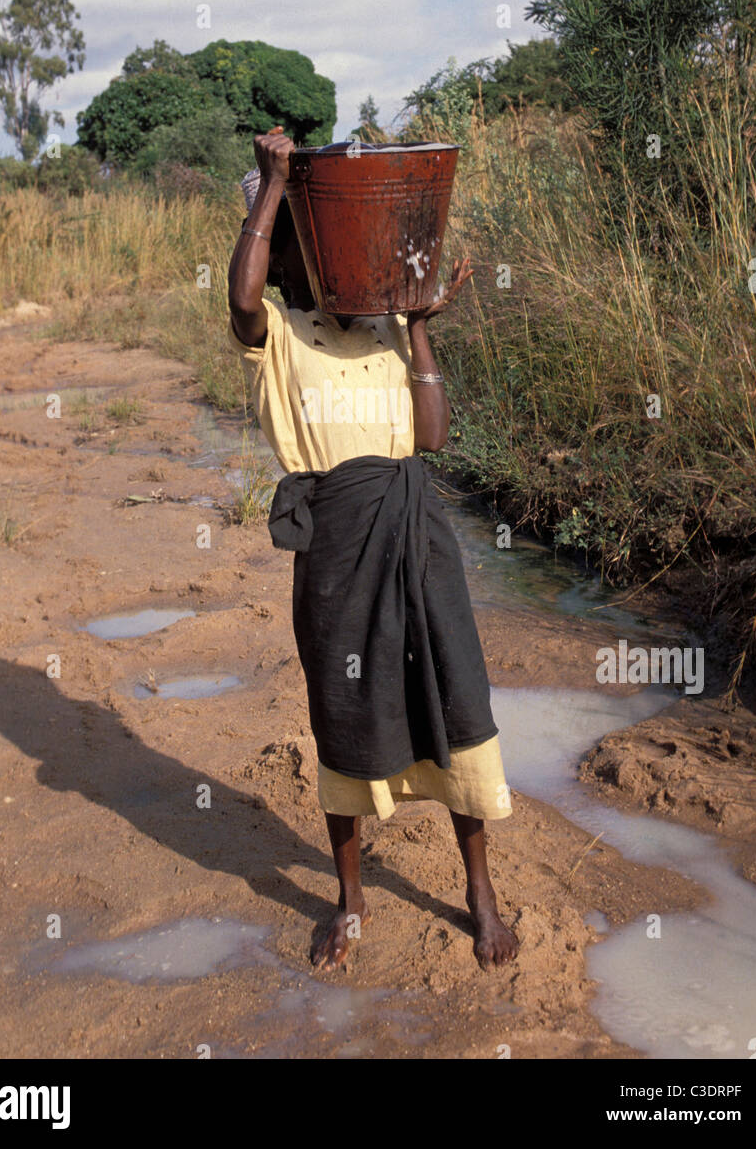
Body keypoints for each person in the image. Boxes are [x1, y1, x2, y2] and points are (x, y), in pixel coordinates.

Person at [227, 125, 518, 973]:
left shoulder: (391, 324)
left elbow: (429, 436)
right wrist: (275, 185)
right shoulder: (278, 331)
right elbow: (241, 299)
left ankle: (479, 889)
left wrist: (420, 327)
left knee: (454, 698)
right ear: (290, 256)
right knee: (346, 716)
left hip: (416, 537)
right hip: (338, 548)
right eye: (293, 249)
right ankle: (350, 901)